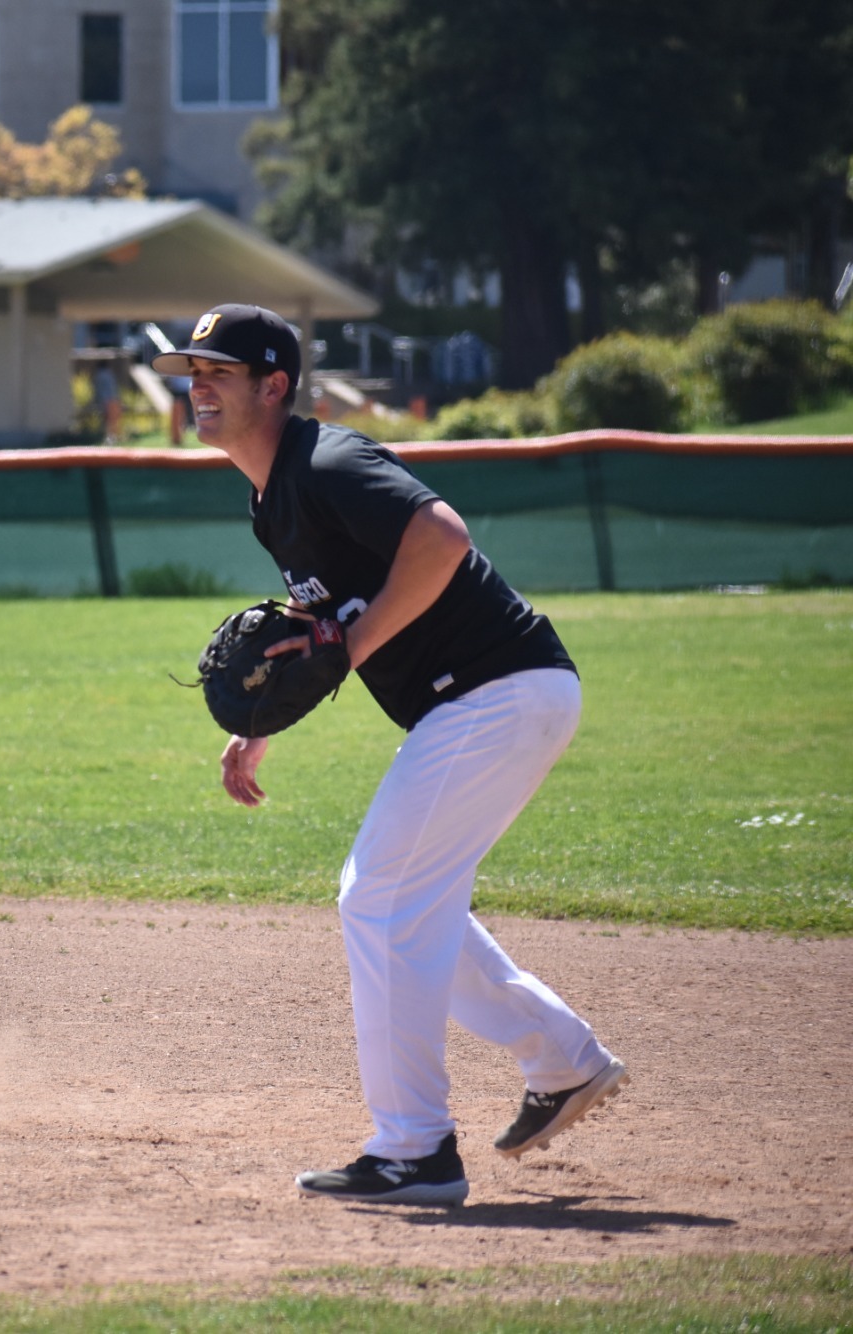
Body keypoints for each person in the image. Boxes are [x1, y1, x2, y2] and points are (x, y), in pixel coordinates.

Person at [155, 305, 626, 1206]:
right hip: (490, 698)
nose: (198, 385)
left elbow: (442, 539)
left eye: (217, 370)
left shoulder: (328, 461)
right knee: (413, 904)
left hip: (495, 690)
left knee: (377, 897)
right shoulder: (271, 498)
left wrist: (352, 645)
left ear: (275, 385)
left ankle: (415, 1150)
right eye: (191, 370)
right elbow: (328, 626)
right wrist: (264, 719)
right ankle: (562, 1060)